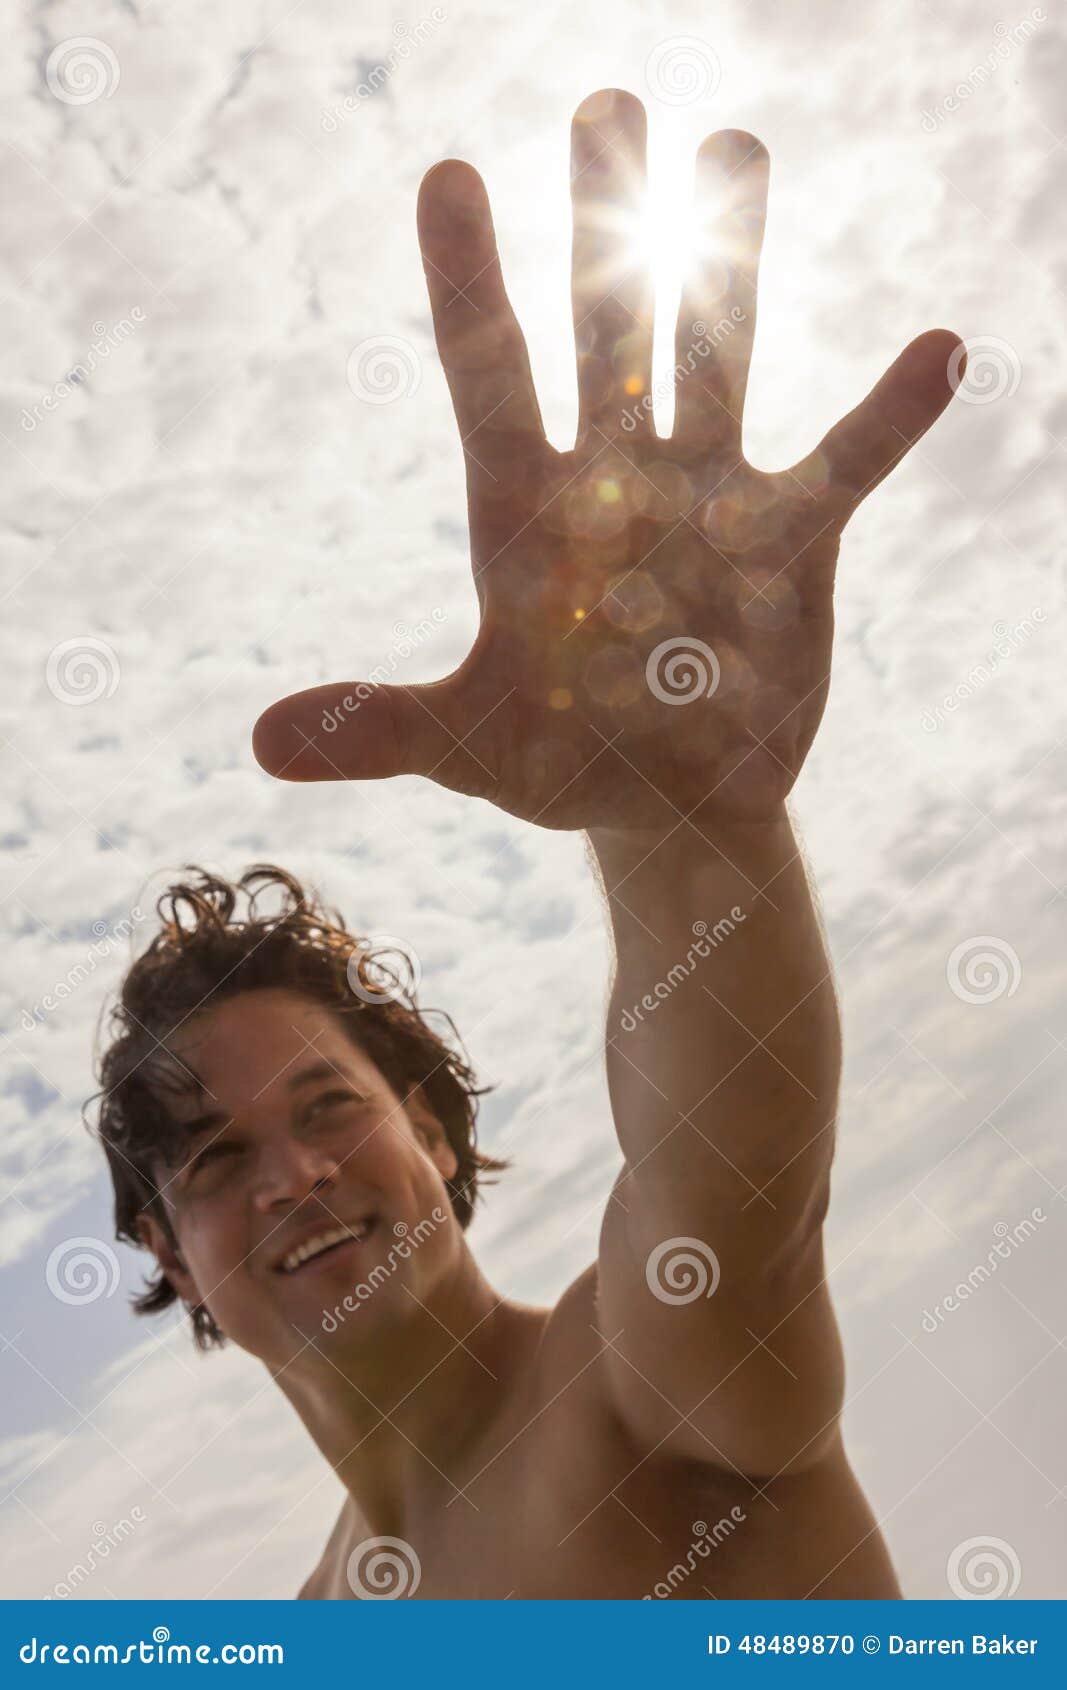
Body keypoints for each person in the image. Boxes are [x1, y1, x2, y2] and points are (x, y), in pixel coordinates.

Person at [93, 88, 964, 1598]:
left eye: (327, 1103)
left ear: (433, 1130)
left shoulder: (644, 1386)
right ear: (170, 1255)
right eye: (217, 1160)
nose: (294, 1173)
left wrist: (684, 823)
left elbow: (737, 1187)